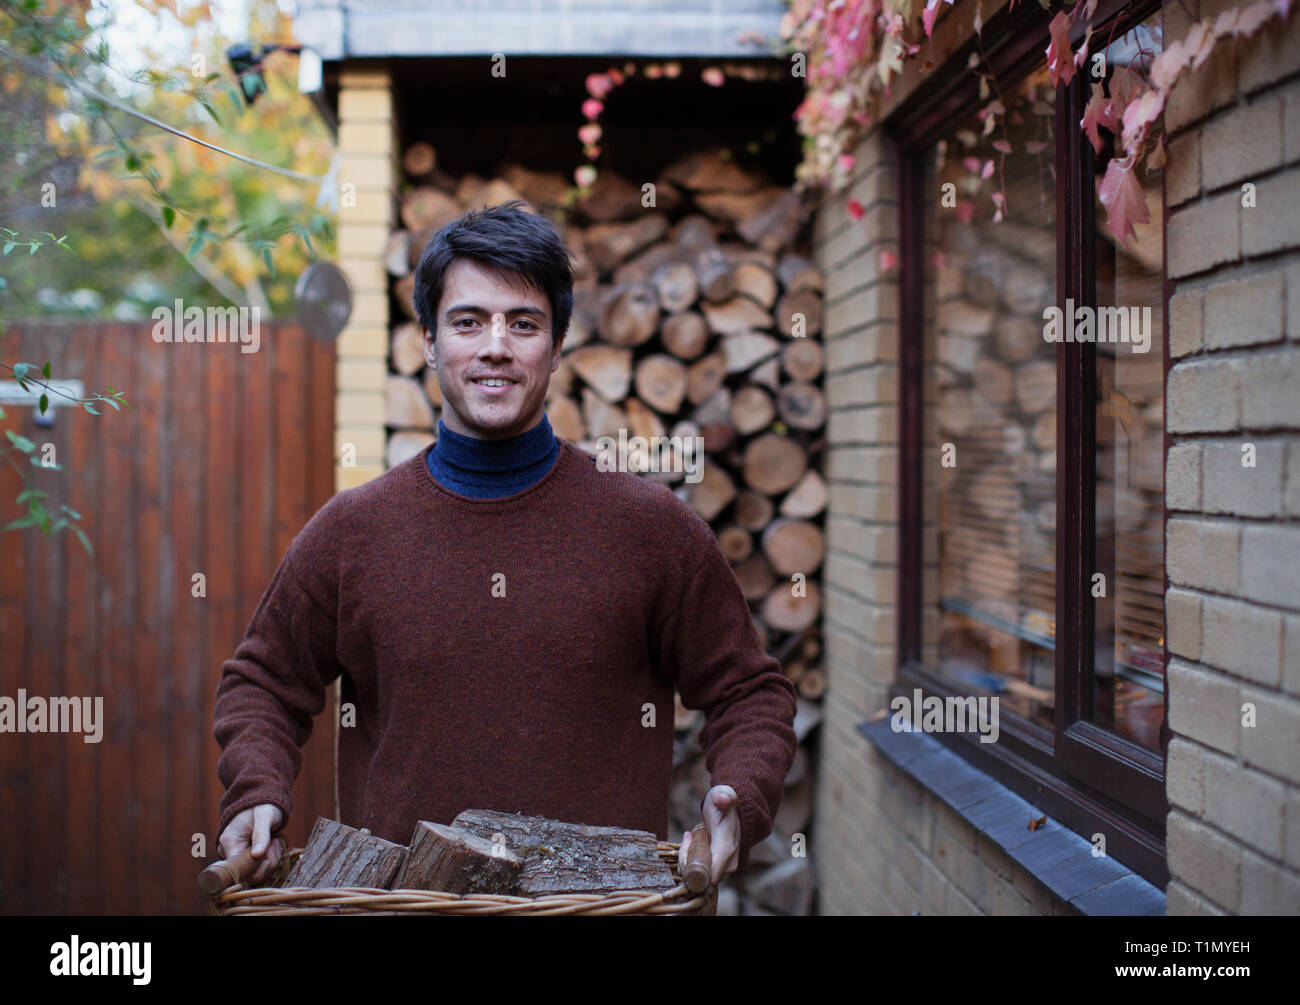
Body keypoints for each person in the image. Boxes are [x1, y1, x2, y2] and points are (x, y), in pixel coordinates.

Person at [213, 200, 798, 889]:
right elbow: (262, 682)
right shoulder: (354, 532)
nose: (496, 345)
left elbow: (750, 691)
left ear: (555, 346)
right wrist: (256, 791)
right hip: (404, 913)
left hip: (600, 913)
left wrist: (741, 794)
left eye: (523, 323)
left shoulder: (648, 528)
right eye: (469, 321)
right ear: (429, 340)